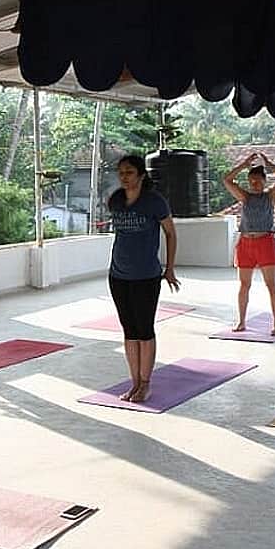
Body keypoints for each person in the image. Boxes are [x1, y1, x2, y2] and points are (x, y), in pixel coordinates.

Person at [106, 155, 180, 403]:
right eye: (121, 173)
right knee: (129, 330)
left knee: (144, 329)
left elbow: (170, 233)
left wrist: (170, 268)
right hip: (118, 275)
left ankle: (146, 383)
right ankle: (134, 382)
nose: (124, 177)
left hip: (146, 276)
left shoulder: (154, 202)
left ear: (141, 175)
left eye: (129, 172)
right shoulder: (116, 200)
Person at [222, 152, 275, 334]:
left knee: (271, 285)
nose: (254, 184)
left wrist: (268, 164)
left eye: (258, 181)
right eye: (251, 181)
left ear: (265, 181)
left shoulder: (270, 197)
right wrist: (243, 165)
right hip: (245, 243)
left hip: (265, 243)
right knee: (244, 285)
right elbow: (227, 180)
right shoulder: (245, 197)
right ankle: (241, 322)